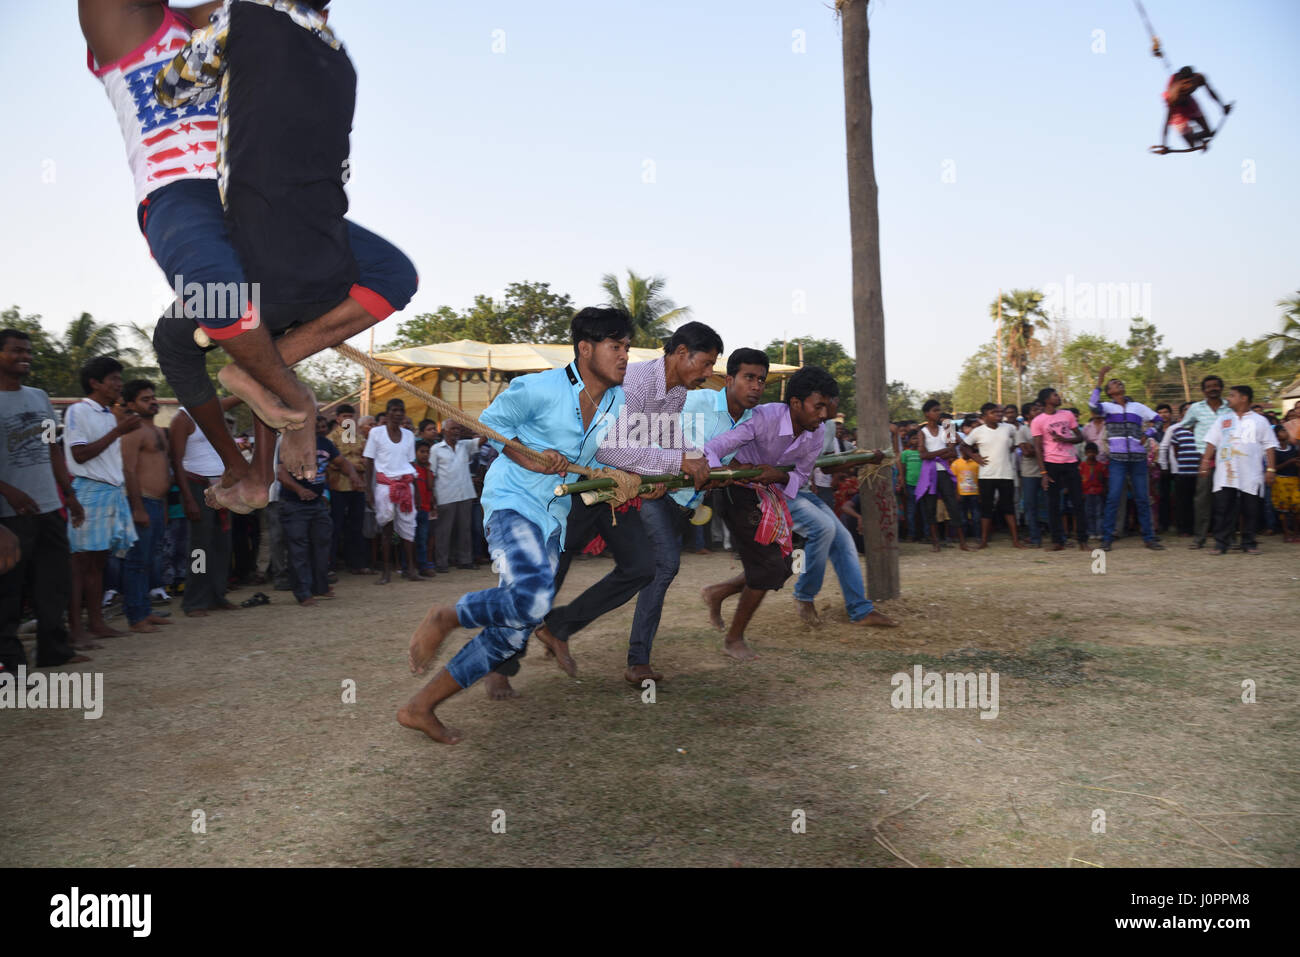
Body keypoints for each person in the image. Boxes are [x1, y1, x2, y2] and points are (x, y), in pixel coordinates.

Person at [81, 0, 417, 514]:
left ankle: (260, 460)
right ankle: (280, 418)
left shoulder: (241, 17)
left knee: (391, 273)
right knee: (216, 294)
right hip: (178, 189)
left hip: (257, 197)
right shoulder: (126, 25)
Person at [398, 307, 637, 744]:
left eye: (626, 348)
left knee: (512, 634)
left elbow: (602, 465)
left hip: (553, 519)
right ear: (586, 349)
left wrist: (627, 482)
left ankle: (419, 707)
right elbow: (487, 427)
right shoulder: (538, 388)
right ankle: (447, 616)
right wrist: (529, 455)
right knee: (532, 599)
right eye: (615, 347)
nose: (624, 356)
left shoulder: (618, 404)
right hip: (513, 504)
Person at [495, 321, 720, 697]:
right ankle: (499, 663)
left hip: (613, 494)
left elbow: (665, 437)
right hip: (577, 488)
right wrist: (673, 462)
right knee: (545, 577)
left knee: (641, 567)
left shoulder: (676, 391)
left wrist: (685, 458)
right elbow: (608, 448)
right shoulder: (634, 381)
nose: (710, 373)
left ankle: (558, 627)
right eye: (707, 363)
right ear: (682, 353)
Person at [700, 366, 843, 660]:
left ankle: (718, 593)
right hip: (735, 490)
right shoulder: (764, 418)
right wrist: (723, 471)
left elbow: (800, 477)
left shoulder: (815, 434)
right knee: (769, 568)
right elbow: (713, 448)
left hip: (768, 495)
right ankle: (733, 639)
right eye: (818, 407)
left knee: (784, 564)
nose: (824, 415)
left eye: (827, 408)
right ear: (795, 403)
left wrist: (776, 475)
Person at [0, 329, 90, 673]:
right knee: (8, 590)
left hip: (50, 506)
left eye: (28, 351)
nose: (25, 356)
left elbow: (53, 447)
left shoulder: (39, 398)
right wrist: (7, 489)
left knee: (53, 583)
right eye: (16, 350)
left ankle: (54, 650)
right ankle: (10, 663)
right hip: (10, 514)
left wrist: (68, 493)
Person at [64, 356, 143, 645]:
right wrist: (118, 431)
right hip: (89, 492)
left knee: (97, 563)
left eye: (119, 379)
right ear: (95, 383)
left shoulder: (109, 414)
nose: (118, 385)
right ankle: (76, 628)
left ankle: (96, 623)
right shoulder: (77, 411)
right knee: (80, 563)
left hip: (110, 492)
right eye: (113, 379)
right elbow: (80, 454)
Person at [277, 414, 364, 605]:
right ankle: (303, 593)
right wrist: (299, 489)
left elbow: (342, 463)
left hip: (317, 503)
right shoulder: (291, 442)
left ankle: (320, 587)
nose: (321, 428)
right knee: (299, 549)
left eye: (323, 425)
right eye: (317, 425)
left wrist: (354, 476)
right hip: (294, 503)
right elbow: (281, 473)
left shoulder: (325, 444)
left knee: (322, 544)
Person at [170, 397, 241, 616]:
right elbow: (176, 461)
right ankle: (194, 601)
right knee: (200, 548)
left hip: (221, 487)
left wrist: (260, 381)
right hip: (196, 485)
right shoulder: (182, 419)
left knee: (222, 545)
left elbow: (238, 397)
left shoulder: (211, 411)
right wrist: (188, 498)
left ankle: (216, 596)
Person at [118, 379, 175, 634]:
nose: (152, 402)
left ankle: (145, 611)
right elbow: (128, 470)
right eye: (145, 399)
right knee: (136, 561)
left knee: (149, 560)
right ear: (130, 404)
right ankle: (136, 616)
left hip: (157, 503)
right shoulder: (133, 431)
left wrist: (162, 505)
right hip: (140, 502)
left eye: (153, 397)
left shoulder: (159, 431)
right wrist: (138, 507)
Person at [1090, 366, 1164, 551]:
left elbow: (1159, 420)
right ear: (1109, 392)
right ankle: (1107, 538)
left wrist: (1148, 433)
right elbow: (1092, 405)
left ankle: (1149, 537)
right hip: (1117, 460)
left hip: (1138, 458)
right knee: (1113, 498)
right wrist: (1100, 378)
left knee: (1142, 499)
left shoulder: (1137, 407)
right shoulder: (1107, 407)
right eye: (1113, 383)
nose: (1118, 383)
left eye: (1119, 382)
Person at [1200, 385, 1278, 555]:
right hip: (1226, 473)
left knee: (1251, 509)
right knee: (1223, 508)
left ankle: (1249, 542)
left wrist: (1271, 469)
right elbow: (1212, 441)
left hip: (1251, 473)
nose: (1228, 398)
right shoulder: (1223, 419)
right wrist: (1205, 461)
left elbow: (1270, 445)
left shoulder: (1259, 421)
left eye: (1232, 395)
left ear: (1244, 398)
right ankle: (1221, 544)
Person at [364, 398, 424, 584]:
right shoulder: (376, 433)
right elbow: (369, 462)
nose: (399, 414)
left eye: (401, 411)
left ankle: (411, 570)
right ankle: (386, 573)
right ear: (388, 412)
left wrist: (417, 490)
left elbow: (411, 463)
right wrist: (368, 490)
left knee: (408, 528)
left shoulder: (408, 435)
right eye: (395, 410)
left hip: (406, 485)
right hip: (384, 486)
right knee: (387, 529)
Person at [1169, 376, 1228, 548]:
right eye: (1208, 387)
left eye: (1216, 386)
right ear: (1203, 391)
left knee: (1226, 499)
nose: (1212, 389)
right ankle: (1200, 538)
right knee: (1202, 499)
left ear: (1221, 388)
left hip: (1226, 458)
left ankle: (1225, 538)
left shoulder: (1229, 408)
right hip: (1205, 459)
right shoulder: (1196, 408)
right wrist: (1199, 435)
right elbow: (1184, 425)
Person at [1031, 387, 1088, 551]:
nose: (1058, 397)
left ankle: (1083, 541)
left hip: (1070, 462)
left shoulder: (1067, 415)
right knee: (1053, 504)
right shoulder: (1038, 421)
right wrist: (1043, 473)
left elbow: (1080, 437)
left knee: (1078, 502)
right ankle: (1057, 541)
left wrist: (1065, 439)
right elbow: (1037, 448)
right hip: (1051, 464)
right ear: (1047, 400)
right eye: (1055, 395)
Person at [965, 403, 1024, 549]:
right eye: (994, 412)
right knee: (986, 509)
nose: (998, 414)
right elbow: (964, 446)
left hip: (1006, 474)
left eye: (999, 412)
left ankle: (1015, 541)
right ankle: (984, 541)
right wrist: (975, 456)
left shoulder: (1008, 428)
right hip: (986, 475)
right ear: (985, 416)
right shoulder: (978, 431)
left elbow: (1016, 443)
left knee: (1009, 508)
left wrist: (1011, 449)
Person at [915, 400, 972, 552]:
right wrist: (942, 452)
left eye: (939, 410)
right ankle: (936, 543)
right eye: (935, 410)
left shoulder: (946, 428)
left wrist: (936, 454)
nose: (938, 413)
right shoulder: (922, 432)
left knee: (952, 505)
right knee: (931, 507)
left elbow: (952, 451)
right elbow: (922, 455)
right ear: (927, 413)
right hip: (931, 472)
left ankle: (961, 543)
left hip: (942, 471)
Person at [431, 422, 483, 573]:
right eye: (453, 428)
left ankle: (465, 560)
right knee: (444, 531)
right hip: (445, 494)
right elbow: (432, 473)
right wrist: (432, 496)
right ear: (445, 431)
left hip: (464, 493)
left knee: (464, 530)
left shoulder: (464, 445)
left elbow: (484, 439)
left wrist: (472, 429)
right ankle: (442, 562)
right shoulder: (436, 449)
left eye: (458, 429)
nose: (456, 432)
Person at [326, 404, 369, 575]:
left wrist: (346, 464)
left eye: (351, 416)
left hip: (358, 488)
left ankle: (356, 564)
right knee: (335, 527)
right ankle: (331, 565)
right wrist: (355, 465)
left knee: (356, 526)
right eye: (345, 416)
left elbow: (366, 462)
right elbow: (331, 463)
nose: (348, 419)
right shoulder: (331, 439)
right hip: (338, 488)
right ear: (338, 419)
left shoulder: (360, 438)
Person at [1160, 66, 1231, 152]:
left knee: (1208, 133)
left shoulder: (1199, 78)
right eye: (1184, 83)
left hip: (1189, 102)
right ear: (1180, 82)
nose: (1187, 85)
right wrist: (1164, 144)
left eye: (1189, 82)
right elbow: (1166, 122)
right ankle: (1191, 136)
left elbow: (1210, 92)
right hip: (1177, 109)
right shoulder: (1174, 95)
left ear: (1192, 77)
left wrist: (1222, 105)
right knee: (1191, 144)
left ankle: (1193, 136)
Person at [1016, 400, 1044, 546]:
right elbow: (1026, 452)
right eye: (1034, 409)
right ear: (1027, 415)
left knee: (1049, 505)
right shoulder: (1023, 431)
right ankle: (1035, 537)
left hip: (1046, 471)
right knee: (1030, 506)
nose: (1039, 411)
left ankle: (1057, 537)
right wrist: (1042, 450)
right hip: (1029, 473)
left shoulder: (1046, 427)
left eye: (1039, 408)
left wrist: (1035, 450)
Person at [412, 440, 438, 574]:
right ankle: (409, 565)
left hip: (425, 508)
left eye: (427, 452)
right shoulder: (412, 469)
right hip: (413, 509)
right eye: (422, 452)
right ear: (415, 453)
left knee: (422, 538)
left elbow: (429, 486)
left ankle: (423, 566)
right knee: (411, 539)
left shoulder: (429, 470)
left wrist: (428, 469)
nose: (425, 455)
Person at [1270, 425, 1299, 542]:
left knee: (1297, 506)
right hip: (1280, 480)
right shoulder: (1274, 451)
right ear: (1276, 435)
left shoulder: (1293, 448)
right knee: (1283, 509)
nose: (1285, 433)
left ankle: (1296, 533)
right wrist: (1289, 462)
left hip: (1294, 479)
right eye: (1282, 431)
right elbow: (1274, 467)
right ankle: (1286, 533)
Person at [950, 440, 981, 541]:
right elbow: (953, 481)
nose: (965, 452)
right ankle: (963, 536)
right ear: (960, 451)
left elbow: (980, 479)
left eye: (968, 450)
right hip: (961, 494)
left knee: (976, 516)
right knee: (963, 517)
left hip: (974, 493)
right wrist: (956, 493)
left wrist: (980, 494)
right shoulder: (956, 464)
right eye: (963, 450)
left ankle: (977, 536)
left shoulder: (977, 463)